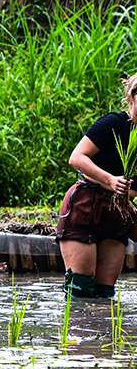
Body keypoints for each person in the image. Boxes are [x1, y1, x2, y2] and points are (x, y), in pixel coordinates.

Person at [56, 74, 137, 299]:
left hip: (119, 212)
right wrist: (110, 180)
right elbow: (77, 158)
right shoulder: (114, 123)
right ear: (131, 97)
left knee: (104, 294)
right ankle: (74, 333)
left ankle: (104, 335)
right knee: (80, 291)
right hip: (86, 205)